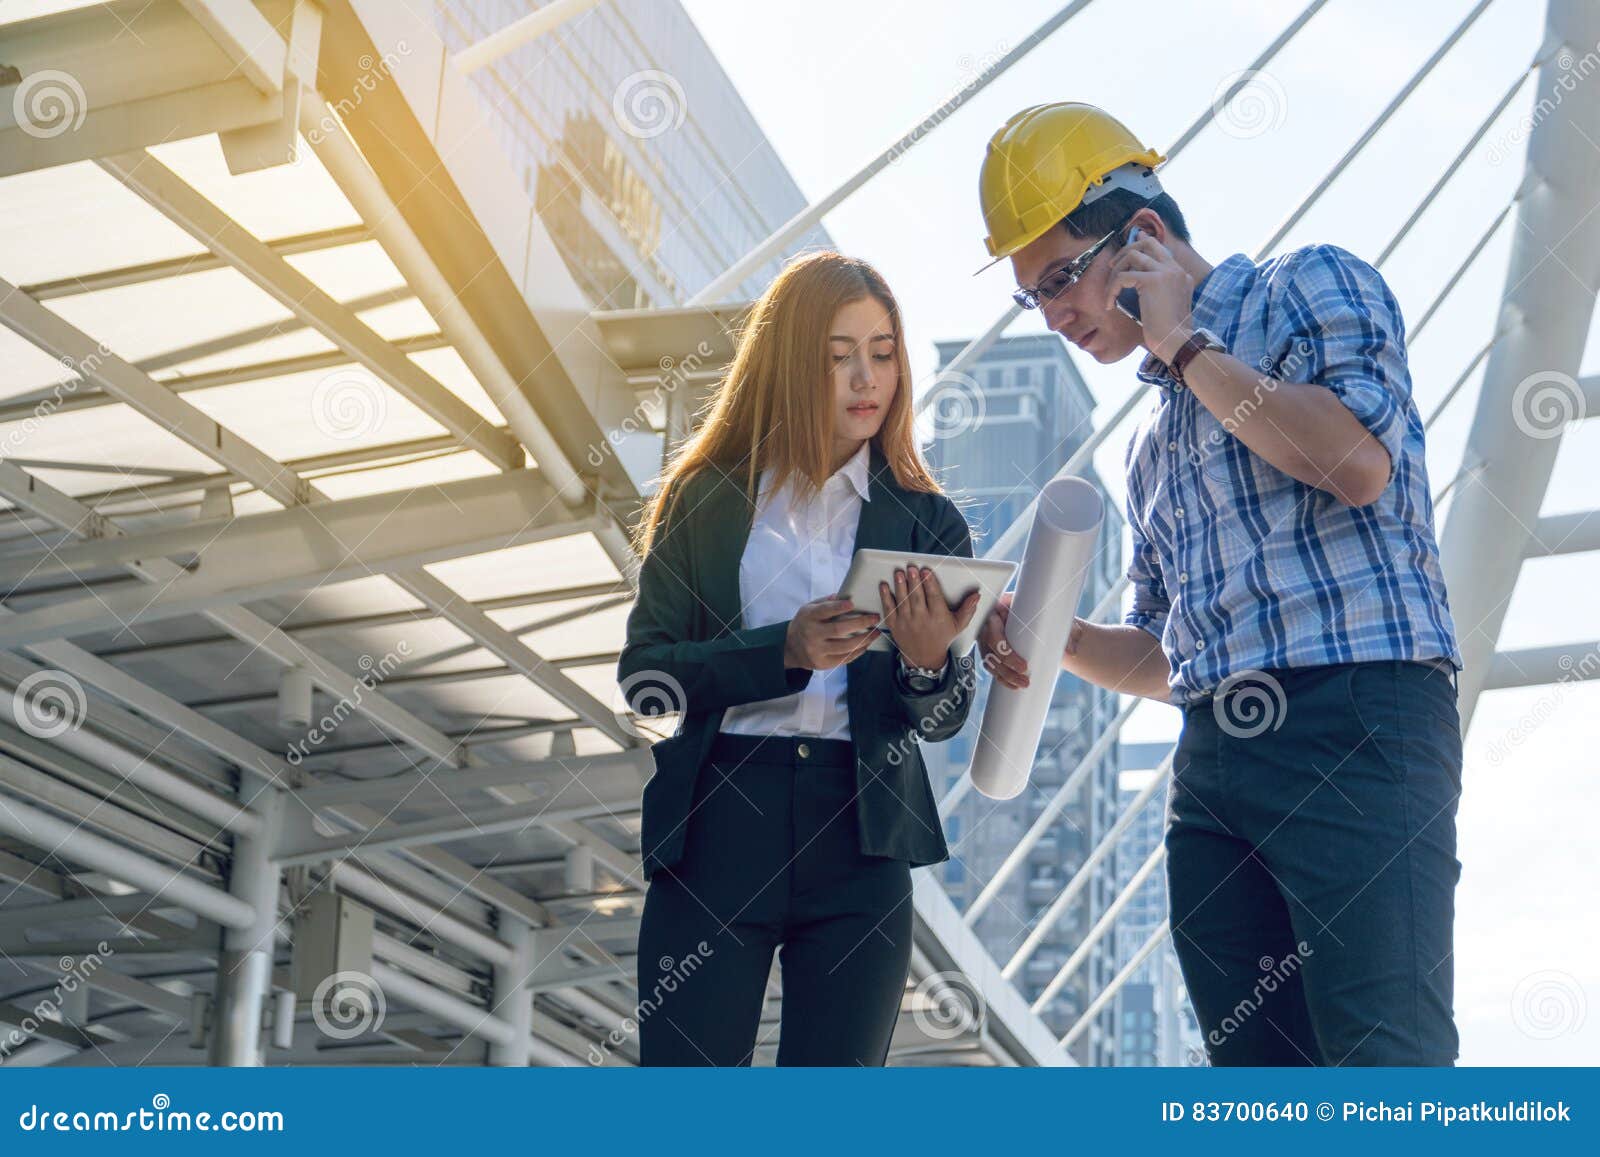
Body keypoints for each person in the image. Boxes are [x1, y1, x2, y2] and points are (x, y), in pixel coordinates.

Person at [975, 103, 1464, 1066]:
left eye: (1064, 276)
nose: (1058, 313)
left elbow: (1359, 465)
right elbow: (1167, 656)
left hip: (1357, 721)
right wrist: (1059, 637)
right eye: (1035, 297)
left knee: (1384, 1063)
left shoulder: (1311, 285)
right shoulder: (1153, 453)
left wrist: (1187, 349)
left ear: (1144, 235)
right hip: (1214, 769)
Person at [619, 250, 981, 1066]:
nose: (867, 377)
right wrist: (778, 651)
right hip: (720, 820)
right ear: (789, 361)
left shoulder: (929, 520)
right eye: (839, 353)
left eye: (883, 352)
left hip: (862, 839)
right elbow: (645, 679)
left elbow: (950, 712)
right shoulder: (706, 496)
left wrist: (928, 665)